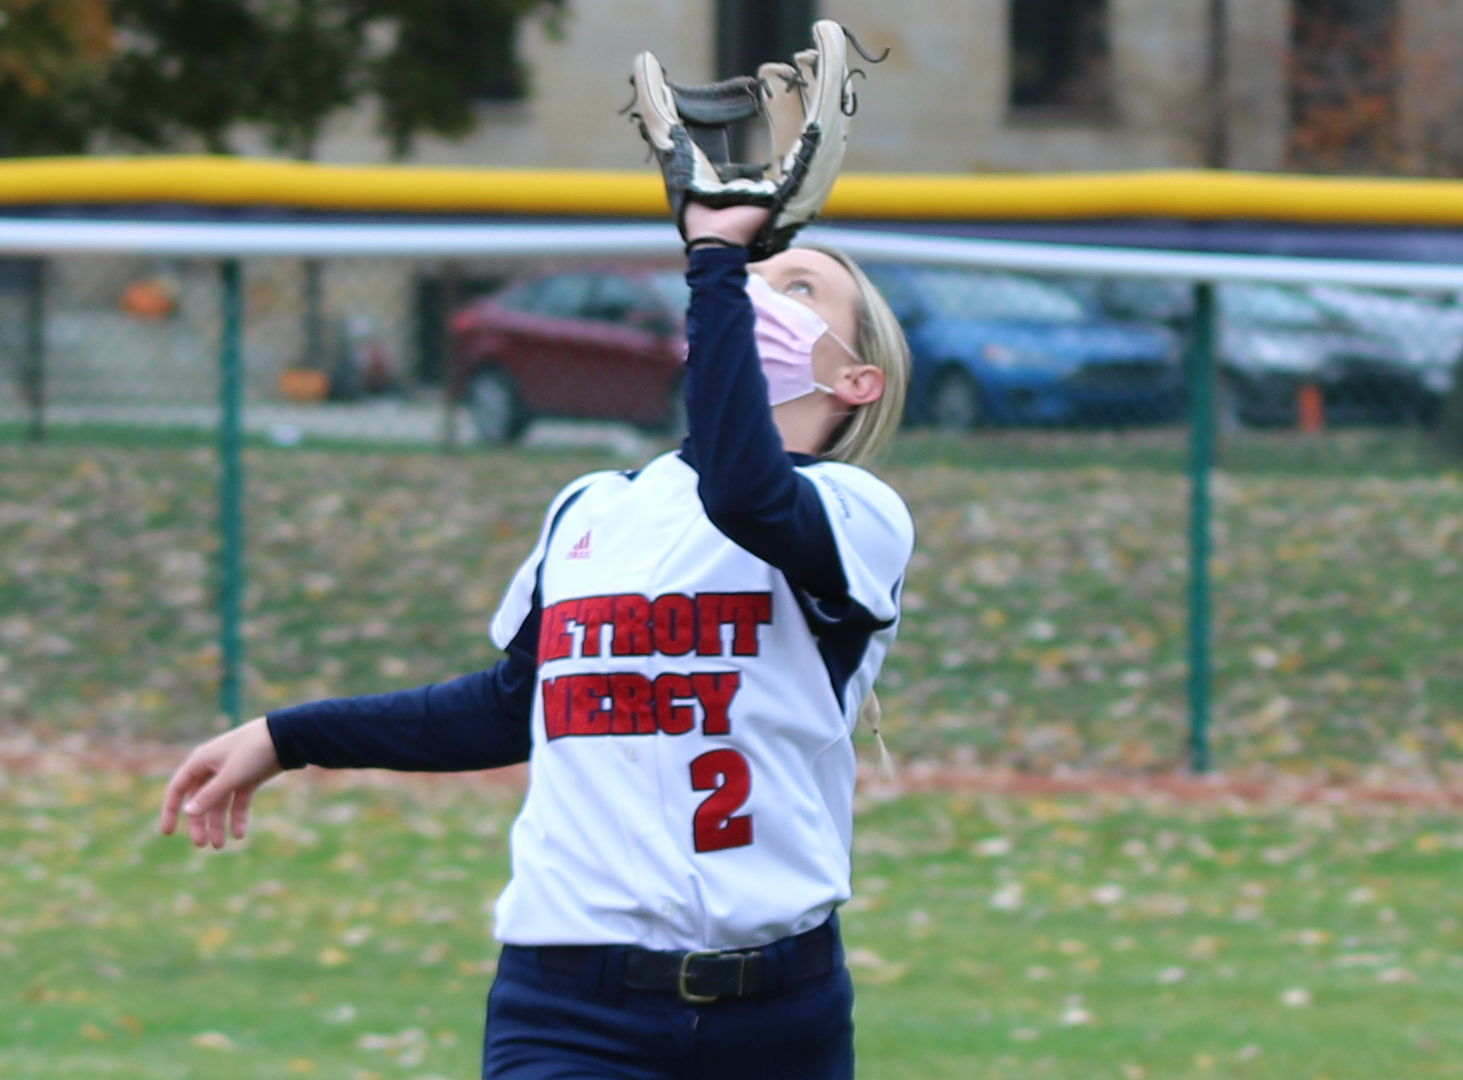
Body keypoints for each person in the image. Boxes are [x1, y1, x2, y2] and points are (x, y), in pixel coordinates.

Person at [159, 33, 913, 1079]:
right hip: (570, 1003)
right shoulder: (591, 508)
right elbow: (516, 706)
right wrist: (290, 735)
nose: (751, 291)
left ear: (857, 382)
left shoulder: (857, 513)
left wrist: (713, 263)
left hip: (776, 1012)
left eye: (793, 290)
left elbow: (745, 489)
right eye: (752, 276)